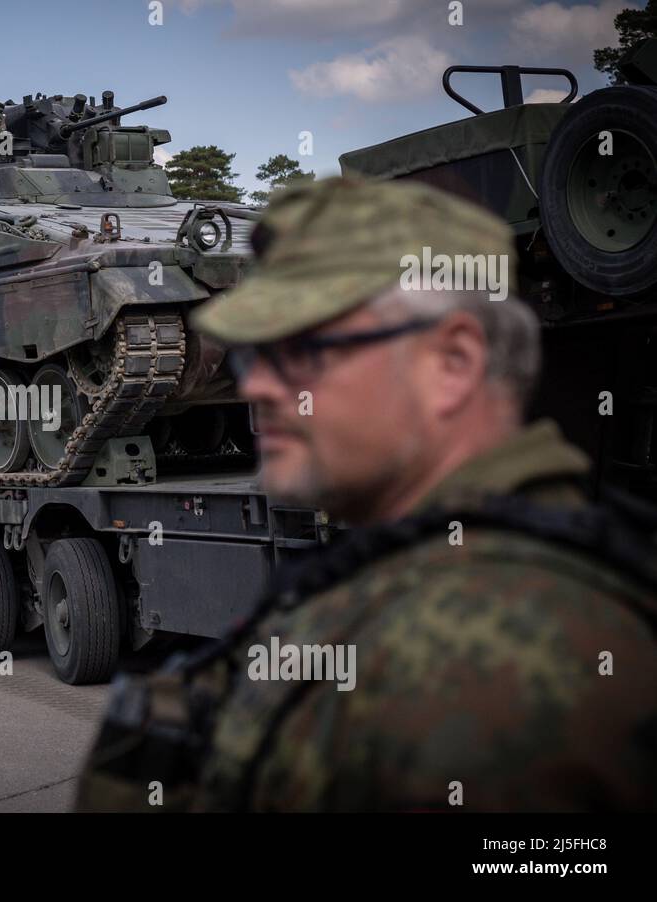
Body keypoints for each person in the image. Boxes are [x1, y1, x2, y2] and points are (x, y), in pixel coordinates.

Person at [77, 176, 657, 811]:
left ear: (453, 364)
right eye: (251, 356)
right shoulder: (405, 583)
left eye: (301, 352)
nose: (261, 388)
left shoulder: (501, 662)